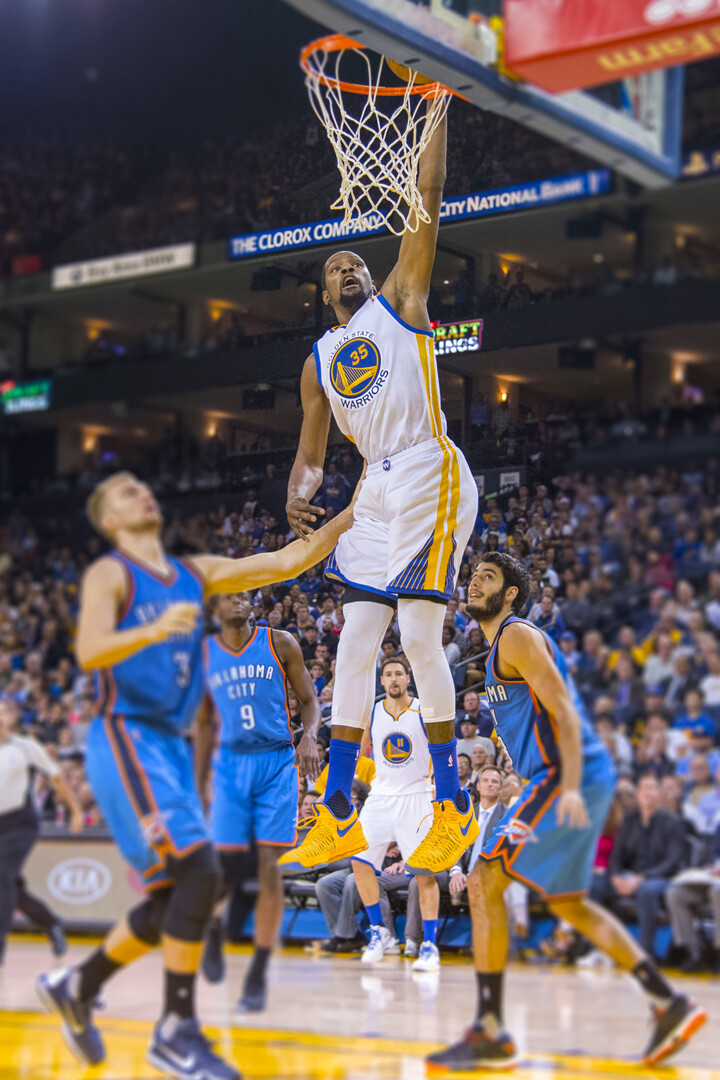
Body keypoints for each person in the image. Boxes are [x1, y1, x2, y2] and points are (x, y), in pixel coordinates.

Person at [36, 471, 357, 1080]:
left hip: (168, 749)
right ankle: (176, 1028)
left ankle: (78, 984)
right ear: (110, 522)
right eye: (124, 494)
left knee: (179, 896)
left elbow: (289, 559)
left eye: (142, 487)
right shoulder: (114, 573)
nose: (142, 493)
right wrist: (153, 630)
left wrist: (354, 512)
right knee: (202, 873)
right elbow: (90, 649)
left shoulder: (194, 573)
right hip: (126, 734)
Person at [280, 110, 479, 877]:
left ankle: (454, 806)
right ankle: (335, 811)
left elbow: (427, 191)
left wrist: (435, 108)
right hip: (373, 492)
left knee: (422, 640)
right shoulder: (319, 359)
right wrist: (298, 497)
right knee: (354, 644)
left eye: (358, 260)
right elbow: (308, 455)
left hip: (428, 466)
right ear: (320, 288)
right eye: (335, 266)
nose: (349, 268)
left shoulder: (402, 301)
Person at [428, 552, 707, 1073]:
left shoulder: (515, 635)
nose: (474, 581)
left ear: (510, 594)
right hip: (557, 775)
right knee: (571, 904)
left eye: (487, 577)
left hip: (569, 774)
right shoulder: (497, 651)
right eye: (474, 575)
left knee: (485, 876)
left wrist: (571, 785)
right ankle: (669, 1003)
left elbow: (563, 709)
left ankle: (489, 1030)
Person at [194, 591, 322, 1011]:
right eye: (229, 596)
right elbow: (204, 726)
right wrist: (197, 786)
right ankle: (213, 927)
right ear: (214, 609)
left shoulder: (279, 642)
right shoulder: (206, 655)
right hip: (230, 765)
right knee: (223, 867)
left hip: (276, 761)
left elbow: (309, 702)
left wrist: (309, 736)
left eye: (245, 594)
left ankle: (257, 973)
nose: (239, 600)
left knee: (269, 866)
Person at [349, 657, 441, 971]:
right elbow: (360, 751)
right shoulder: (373, 711)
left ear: (407, 677)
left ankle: (429, 944)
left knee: (424, 875)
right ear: (382, 680)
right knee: (359, 861)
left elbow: (444, 752)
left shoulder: (423, 710)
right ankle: (380, 932)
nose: (393, 679)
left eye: (398, 673)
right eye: (387, 674)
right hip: (382, 795)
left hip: (417, 795)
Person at [0, 701, 83, 966]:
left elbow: (56, 777)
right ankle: (51, 923)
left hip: (20, 823)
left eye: (4, 711)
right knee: (10, 886)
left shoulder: (26, 746)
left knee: (1, 877)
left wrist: (76, 810)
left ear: (11, 718)